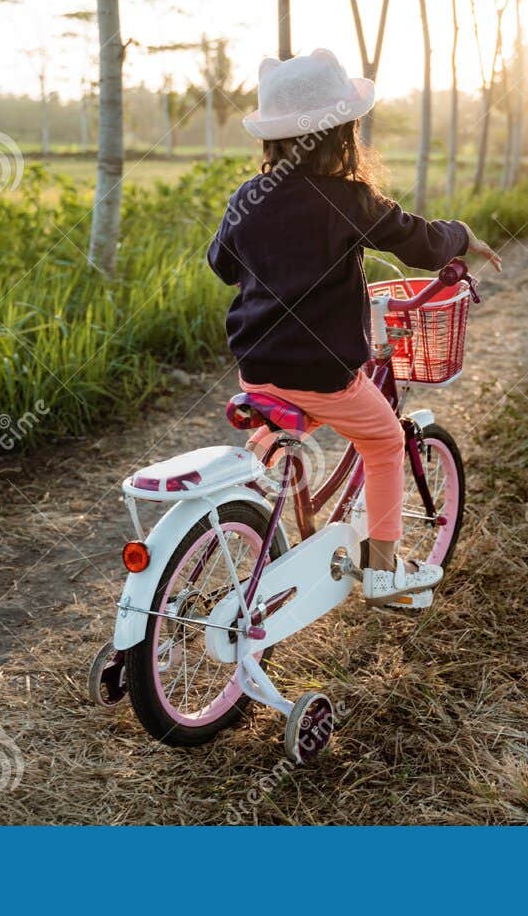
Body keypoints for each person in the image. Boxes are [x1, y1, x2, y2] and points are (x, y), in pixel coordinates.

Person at [207, 48, 502, 604]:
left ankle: (254, 502)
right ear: (344, 135)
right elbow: (420, 241)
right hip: (323, 372)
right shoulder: (349, 200)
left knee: (285, 428)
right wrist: (462, 236)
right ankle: (384, 575)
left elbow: (221, 265)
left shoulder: (247, 197)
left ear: (271, 141)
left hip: (257, 368)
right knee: (386, 440)